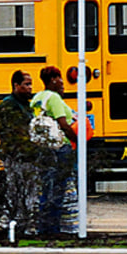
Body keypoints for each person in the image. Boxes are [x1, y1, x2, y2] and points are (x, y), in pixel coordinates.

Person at [31, 66, 76, 234]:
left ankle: (43, 225)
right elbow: (63, 123)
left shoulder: (37, 98)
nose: (63, 82)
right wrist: (76, 139)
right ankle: (53, 227)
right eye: (59, 78)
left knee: (46, 186)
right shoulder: (54, 98)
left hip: (43, 148)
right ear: (53, 80)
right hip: (60, 147)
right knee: (58, 187)